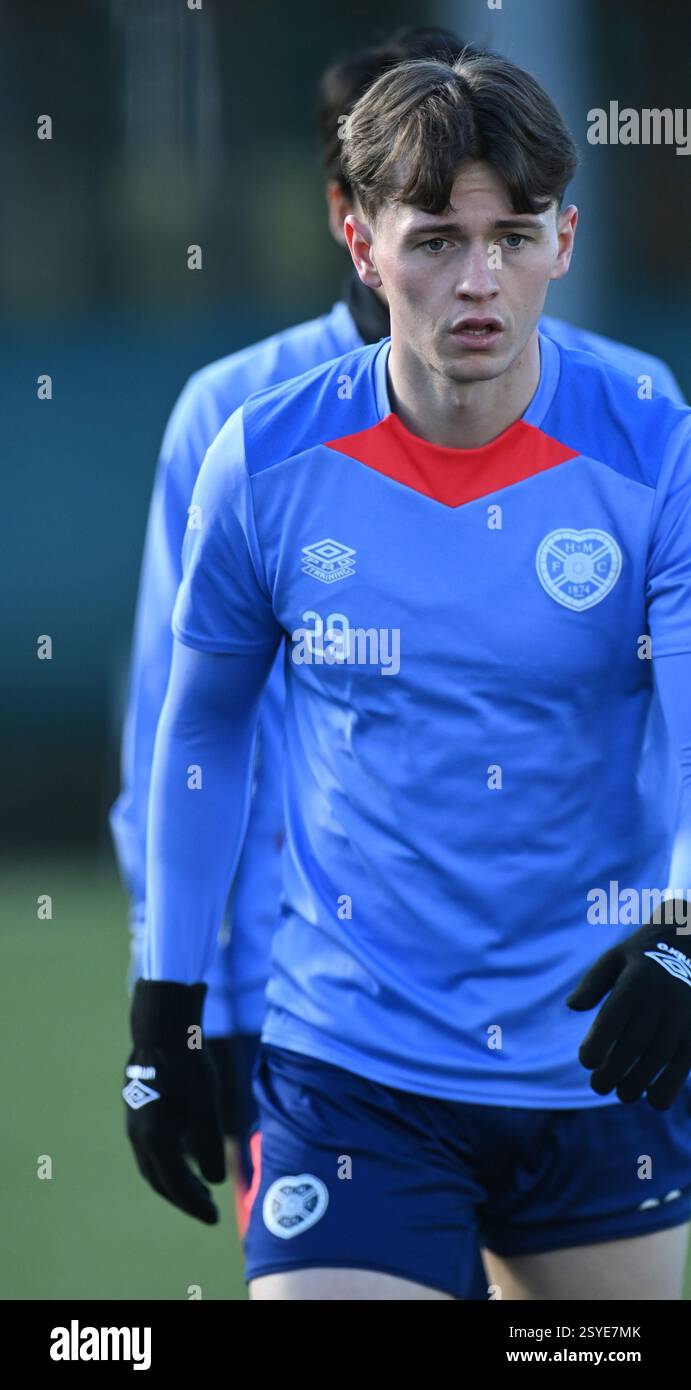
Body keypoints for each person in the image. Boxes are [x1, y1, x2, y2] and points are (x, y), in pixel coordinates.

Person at [118, 47, 691, 1299]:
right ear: (363, 245)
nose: (477, 280)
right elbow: (202, 725)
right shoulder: (261, 455)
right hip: (351, 1071)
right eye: (434, 238)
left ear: (564, 241)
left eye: (512, 234)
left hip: (597, 1065)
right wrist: (165, 1008)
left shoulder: (654, 445)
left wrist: (688, 933)